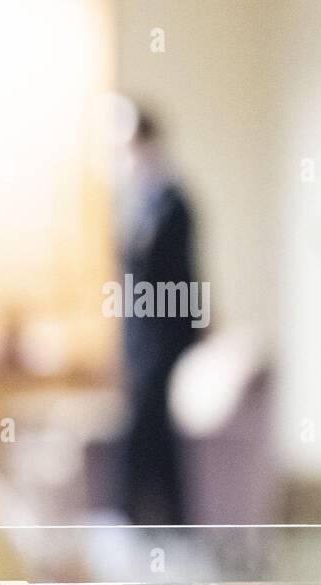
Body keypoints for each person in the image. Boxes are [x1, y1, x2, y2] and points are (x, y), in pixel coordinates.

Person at [116, 109, 204, 525]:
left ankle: (157, 524)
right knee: (148, 433)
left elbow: (182, 276)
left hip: (167, 339)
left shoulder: (174, 204)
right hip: (143, 340)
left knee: (151, 434)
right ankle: (149, 526)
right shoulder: (141, 204)